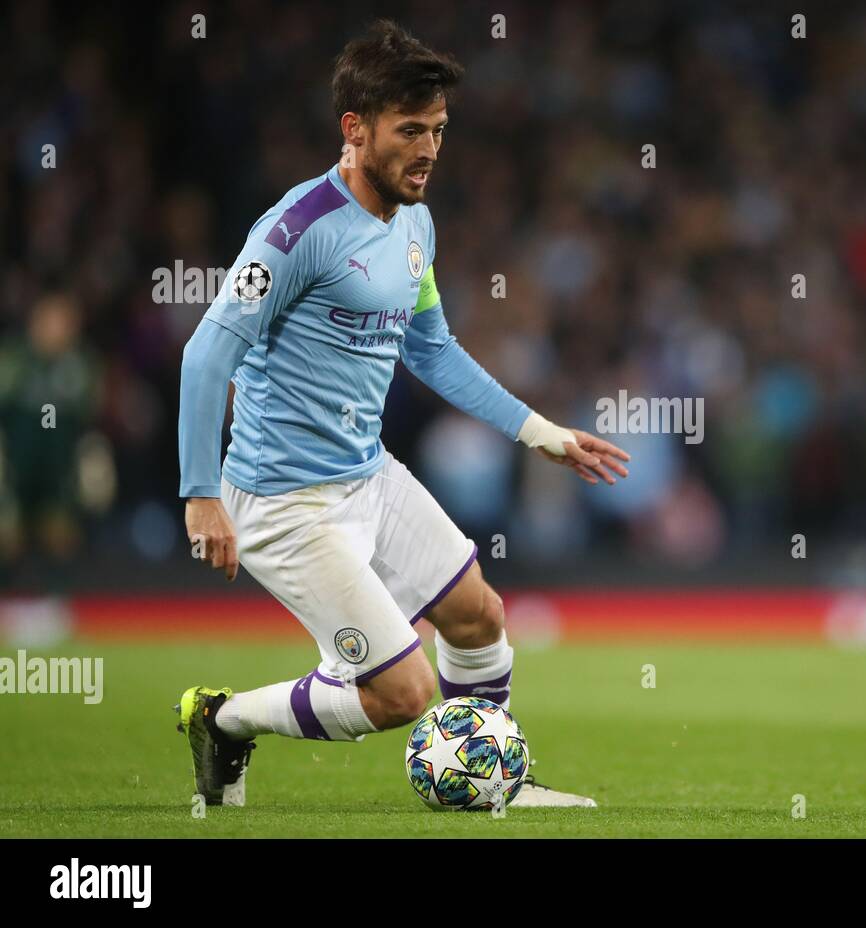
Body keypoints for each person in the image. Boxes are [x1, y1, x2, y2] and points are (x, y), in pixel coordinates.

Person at [175, 20, 629, 809]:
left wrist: (539, 432)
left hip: (367, 473)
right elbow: (206, 354)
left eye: (439, 130)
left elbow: (433, 351)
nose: (429, 150)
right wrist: (200, 493)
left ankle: (496, 781)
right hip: (284, 501)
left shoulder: (415, 222)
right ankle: (224, 721)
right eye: (410, 130)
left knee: (478, 615)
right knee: (400, 694)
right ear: (355, 129)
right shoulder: (294, 232)